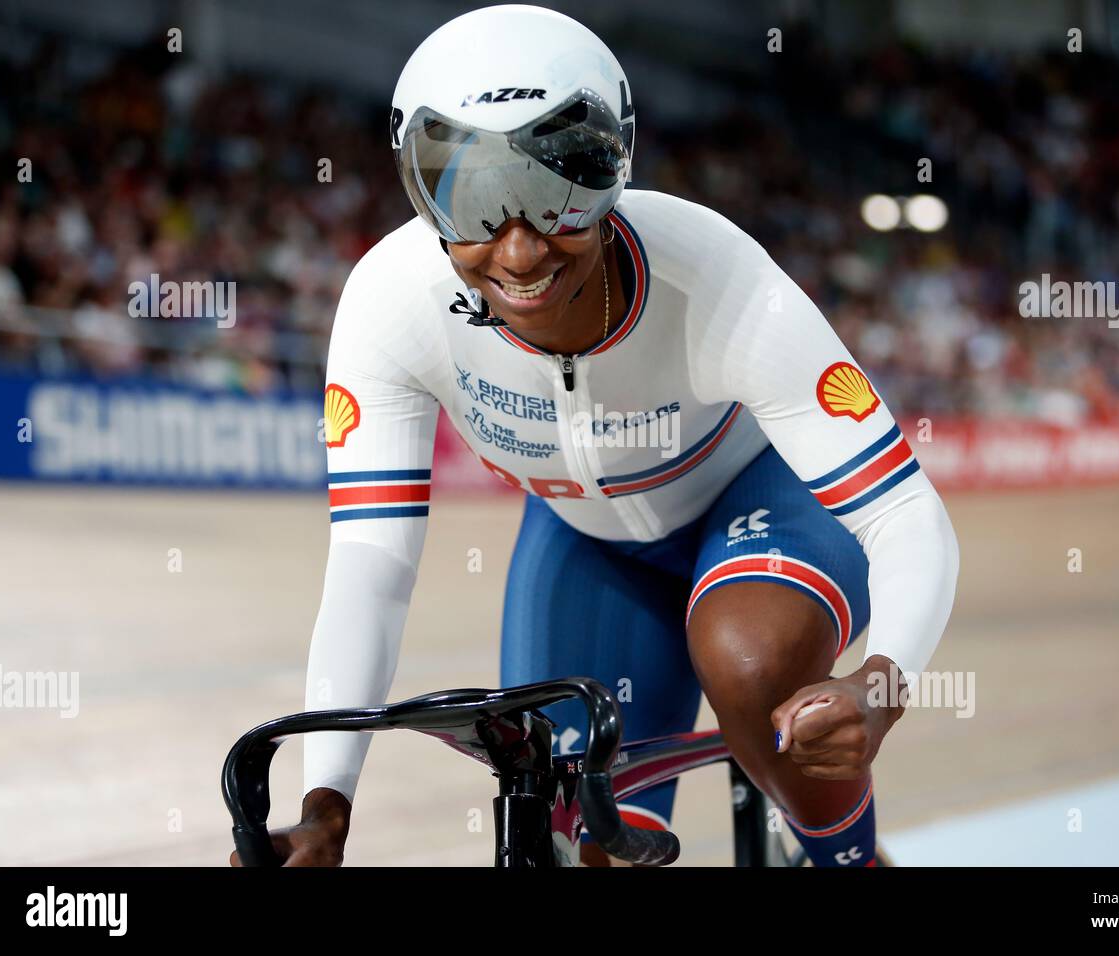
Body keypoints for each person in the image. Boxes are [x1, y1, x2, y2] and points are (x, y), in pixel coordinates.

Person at [237, 3, 958, 867]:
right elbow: (371, 568)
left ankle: (851, 860)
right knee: (582, 837)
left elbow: (907, 517)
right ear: (417, 190)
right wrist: (328, 802)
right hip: (588, 538)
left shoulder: (720, 280)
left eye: (554, 192)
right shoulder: (391, 303)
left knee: (747, 658)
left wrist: (881, 685)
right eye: (468, 199)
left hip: (760, 496)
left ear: (615, 168)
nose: (517, 247)